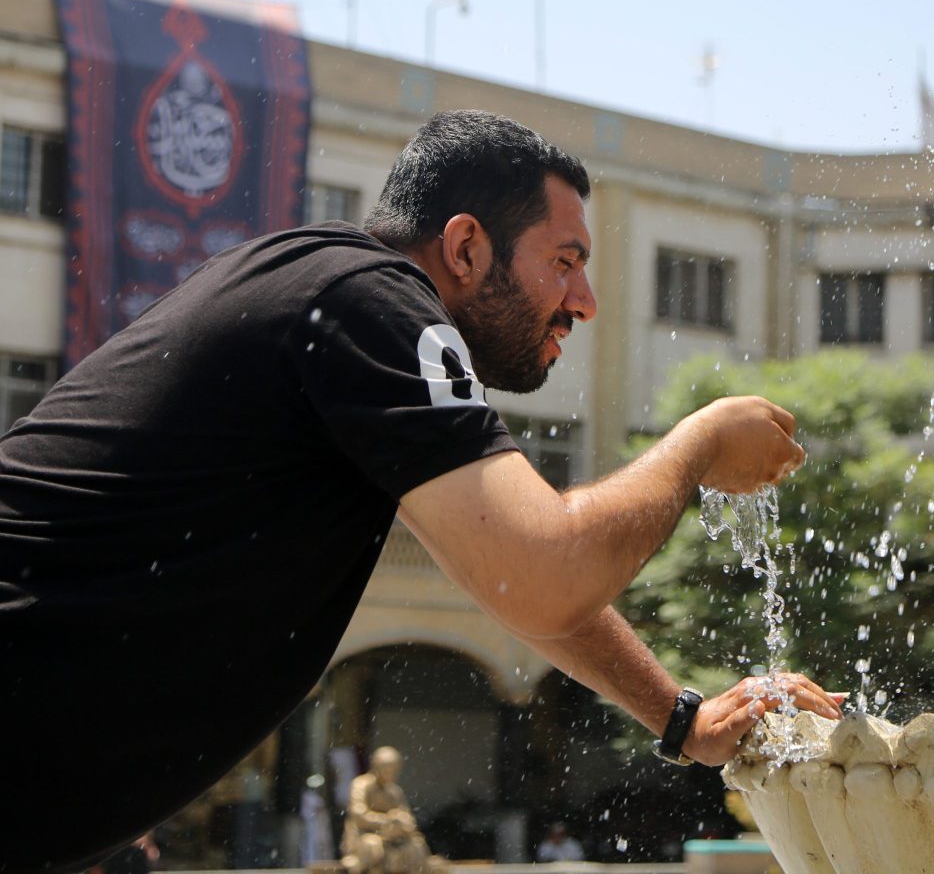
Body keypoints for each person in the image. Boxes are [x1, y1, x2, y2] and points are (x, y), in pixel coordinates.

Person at [0, 110, 843, 873]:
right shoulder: (371, 301)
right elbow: (542, 572)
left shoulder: (337, 300)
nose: (583, 302)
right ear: (466, 248)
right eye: (564, 262)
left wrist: (680, 719)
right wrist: (699, 445)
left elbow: (507, 571)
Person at [340, 748, 441, 874]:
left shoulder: (394, 791)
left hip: (392, 837)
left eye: (393, 769)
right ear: (376, 767)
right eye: (386, 769)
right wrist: (387, 821)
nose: (390, 773)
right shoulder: (361, 784)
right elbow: (358, 814)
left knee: (417, 845)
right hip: (366, 834)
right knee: (373, 846)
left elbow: (406, 817)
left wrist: (402, 823)